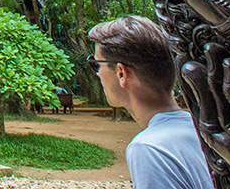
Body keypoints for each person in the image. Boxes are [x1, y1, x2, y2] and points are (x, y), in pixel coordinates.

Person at [88, 16, 212, 189]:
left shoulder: (150, 148)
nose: (98, 74)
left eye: (96, 64)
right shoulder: (203, 128)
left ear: (121, 73)